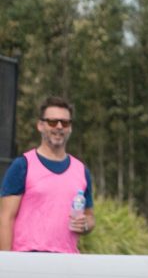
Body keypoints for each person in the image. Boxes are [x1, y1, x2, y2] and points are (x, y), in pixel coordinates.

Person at [0, 97, 94, 253]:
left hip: (67, 263)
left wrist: (85, 225)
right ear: (40, 125)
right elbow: (5, 218)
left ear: (70, 128)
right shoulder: (22, 165)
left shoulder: (81, 171)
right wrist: (5, 266)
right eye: (52, 122)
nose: (59, 127)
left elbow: (90, 217)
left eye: (64, 122)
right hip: (27, 261)